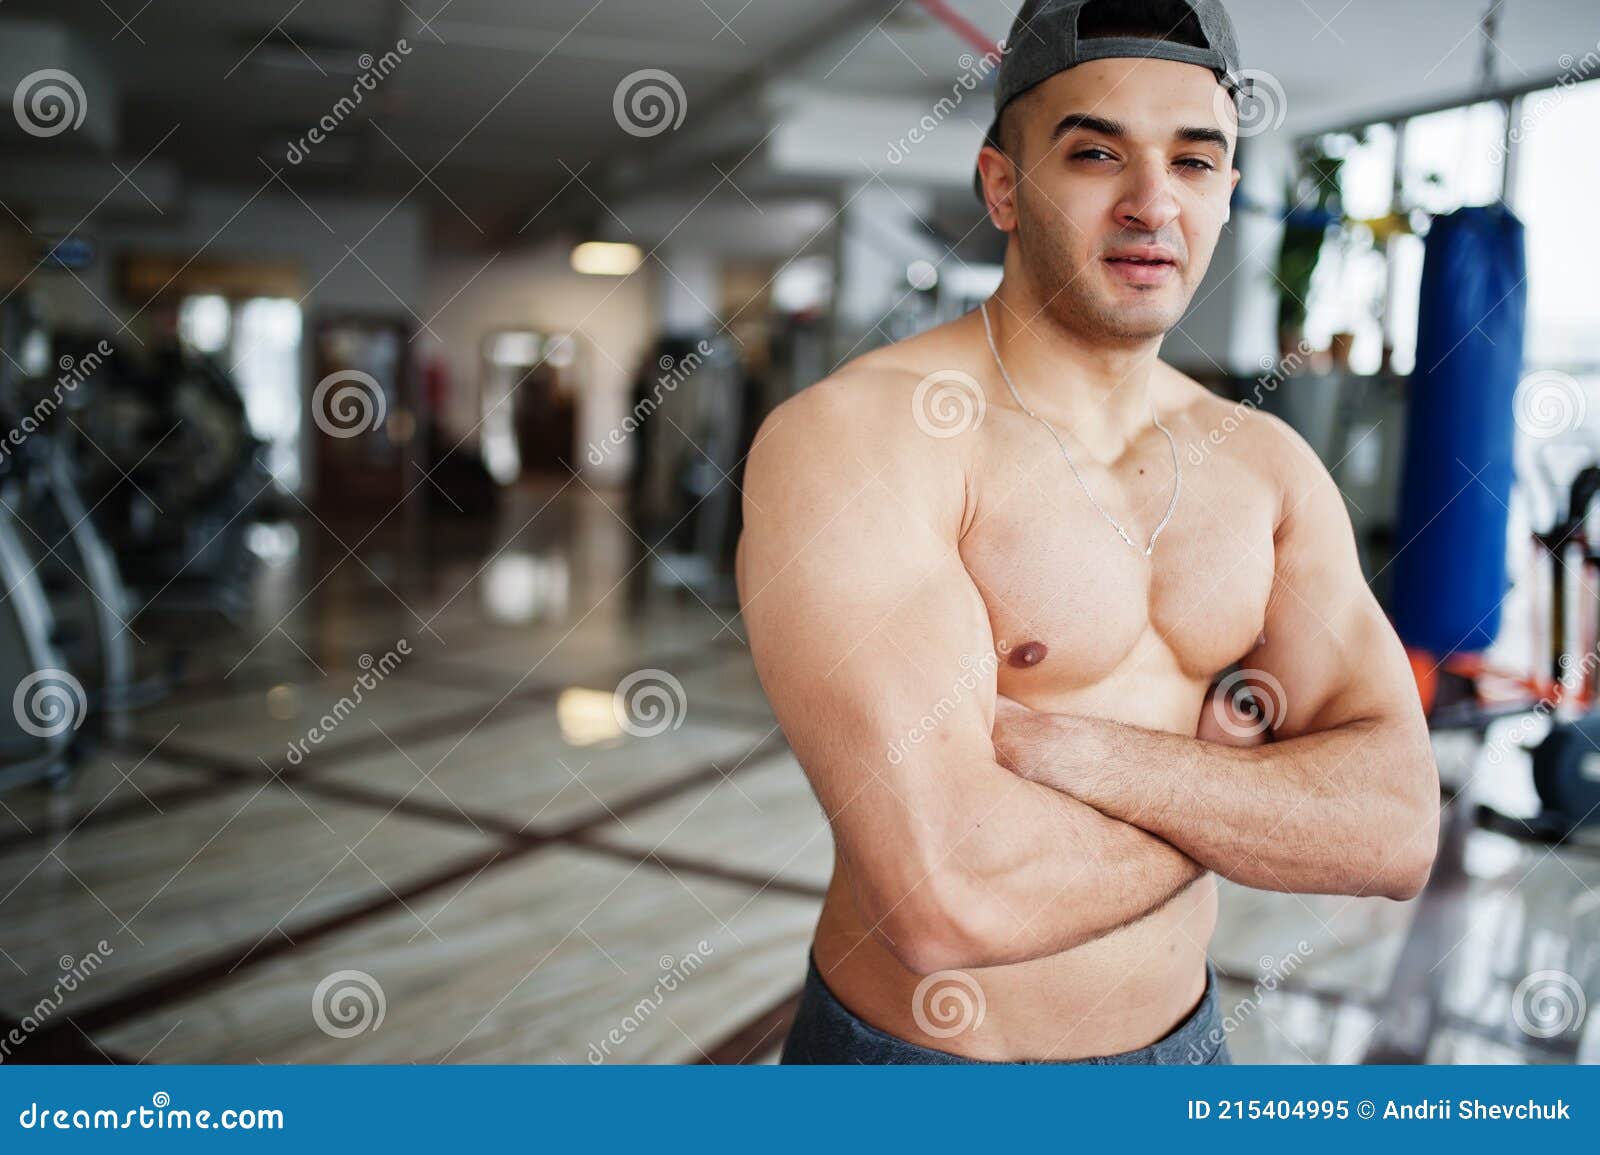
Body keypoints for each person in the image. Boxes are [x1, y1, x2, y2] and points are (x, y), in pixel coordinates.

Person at [737, 0, 1438, 1065]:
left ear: (1228, 192)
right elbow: (948, 897)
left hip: (1183, 1053)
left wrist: (1086, 756)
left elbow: (1394, 826)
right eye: (1096, 153)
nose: (1152, 203)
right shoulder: (858, 439)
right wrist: (1258, 807)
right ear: (1003, 187)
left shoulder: (1265, 468)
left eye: (1195, 164)